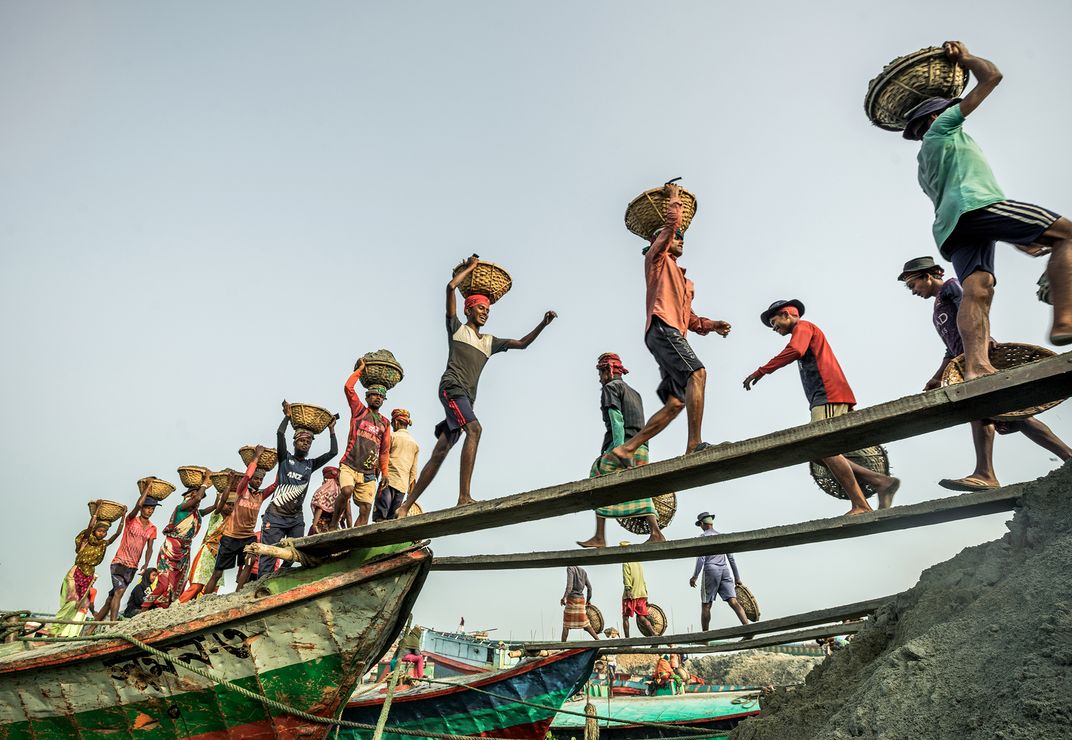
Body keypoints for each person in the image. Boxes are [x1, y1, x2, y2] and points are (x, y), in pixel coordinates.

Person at [901, 41, 1072, 374]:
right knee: (1067, 235)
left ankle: (977, 365)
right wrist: (965, 59)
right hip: (977, 207)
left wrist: (1014, 235)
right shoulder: (943, 128)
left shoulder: (924, 162)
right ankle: (1065, 319)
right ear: (936, 116)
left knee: (977, 288)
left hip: (952, 228)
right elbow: (992, 76)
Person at [395, 256, 557, 517]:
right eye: (481, 308)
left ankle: (405, 506)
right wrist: (470, 268)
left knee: (441, 451)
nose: (485, 312)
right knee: (475, 429)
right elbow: (450, 288)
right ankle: (464, 496)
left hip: (466, 399)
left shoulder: (489, 341)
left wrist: (543, 324)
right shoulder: (457, 329)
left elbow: (523, 343)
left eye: (488, 310)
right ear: (468, 310)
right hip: (451, 388)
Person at [898, 256, 1072, 489]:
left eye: (913, 285)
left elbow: (972, 311)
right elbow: (951, 348)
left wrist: (984, 337)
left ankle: (985, 473)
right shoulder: (938, 305)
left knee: (980, 407)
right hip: (965, 360)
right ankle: (1068, 456)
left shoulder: (950, 287)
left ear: (927, 276)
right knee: (1017, 418)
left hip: (978, 360)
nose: (913, 291)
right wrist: (938, 376)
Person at [610, 182, 732, 467]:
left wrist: (713, 325)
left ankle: (627, 449)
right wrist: (674, 199)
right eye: (675, 237)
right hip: (662, 328)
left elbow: (691, 319)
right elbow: (670, 226)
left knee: (676, 402)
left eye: (681, 238)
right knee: (697, 374)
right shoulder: (657, 260)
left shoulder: (685, 281)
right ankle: (694, 444)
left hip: (672, 331)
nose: (680, 240)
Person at [743, 300, 901, 514]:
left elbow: (795, 350)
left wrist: (761, 371)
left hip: (828, 395)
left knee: (823, 446)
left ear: (786, 314)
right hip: (825, 397)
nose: (774, 328)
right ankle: (880, 481)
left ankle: (861, 504)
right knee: (816, 451)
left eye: (774, 322)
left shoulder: (803, 327)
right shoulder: (804, 330)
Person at [578, 354, 666, 548]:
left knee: (598, 476)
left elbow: (617, 419)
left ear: (608, 371)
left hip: (624, 444)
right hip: (641, 446)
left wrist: (619, 449)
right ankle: (656, 532)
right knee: (639, 486)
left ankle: (600, 537)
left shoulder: (610, 388)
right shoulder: (635, 393)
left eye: (600, 373)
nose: (599, 378)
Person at [262, 404, 338, 575]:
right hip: (275, 516)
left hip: (295, 518)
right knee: (268, 555)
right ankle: (262, 583)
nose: (305, 444)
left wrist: (331, 430)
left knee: (295, 551)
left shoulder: (310, 465)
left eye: (308, 442)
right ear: (295, 442)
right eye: (302, 441)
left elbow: (333, 452)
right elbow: (280, 434)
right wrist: (288, 417)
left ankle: (279, 576)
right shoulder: (285, 458)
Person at [204, 454, 276, 595]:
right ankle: (202, 601)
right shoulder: (242, 491)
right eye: (256, 478)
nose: (258, 481)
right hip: (231, 536)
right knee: (217, 572)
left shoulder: (260, 496)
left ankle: (238, 594)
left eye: (261, 479)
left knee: (250, 562)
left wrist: (284, 461)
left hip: (248, 537)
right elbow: (246, 478)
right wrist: (256, 457)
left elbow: (275, 485)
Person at [142, 475, 215, 609]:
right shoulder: (182, 508)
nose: (197, 499)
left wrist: (221, 492)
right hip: (170, 550)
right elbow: (198, 498)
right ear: (187, 497)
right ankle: (144, 608)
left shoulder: (197, 514)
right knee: (164, 583)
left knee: (176, 584)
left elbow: (216, 506)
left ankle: (163, 609)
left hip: (184, 551)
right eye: (193, 495)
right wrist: (205, 483)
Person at [331, 365, 390, 529]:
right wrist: (360, 371)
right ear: (367, 397)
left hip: (369, 472)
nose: (377, 398)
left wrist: (385, 472)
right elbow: (348, 387)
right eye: (374, 395)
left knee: (366, 508)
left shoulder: (385, 423)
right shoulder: (359, 411)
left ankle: (354, 540)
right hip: (349, 465)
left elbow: (384, 451)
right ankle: (333, 524)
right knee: (347, 491)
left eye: (381, 396)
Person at [51, 506, 123, 636]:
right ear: (95, 530)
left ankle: (58, 632)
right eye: (100, 530)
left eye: (104, 532)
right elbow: (89, 528)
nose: (102, 533)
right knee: (71, 601)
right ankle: (53, 630)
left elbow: (117, 534)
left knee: (76, 606)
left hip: (88, 575)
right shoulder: (86, 539)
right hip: (77, 572)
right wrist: (96, 512)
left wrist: (123, 517)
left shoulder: (103, 544)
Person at [95, 487, 158, 623]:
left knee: (111, 598)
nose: (150, 511)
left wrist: (146, 564)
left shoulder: (153, 528)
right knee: (120, 591)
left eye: (152, 509)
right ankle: (113, 625)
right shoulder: (131, 520)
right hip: (119, 562)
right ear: (142, 509)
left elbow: (149, 548)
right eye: (148, 508)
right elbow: (137, 505)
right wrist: (147, 487)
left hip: (132, 567)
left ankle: (91, 629)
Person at [688, 512, 749, 630]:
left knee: (706, 604)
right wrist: (737, 578)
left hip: (711, 570)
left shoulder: (703, 537)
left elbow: (701, 558)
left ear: (701, 524)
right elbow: (731, 558)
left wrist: (695, 576)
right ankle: (748, 628)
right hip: (725, 570)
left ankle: (705, 638)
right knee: (733, 601)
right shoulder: (722, 536)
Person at [180, 491, 235, 602]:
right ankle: (179, 606)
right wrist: (226, 487)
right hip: (207, 554)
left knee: (214, 587)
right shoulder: (216, 515)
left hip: (220, 555)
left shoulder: (233, 520)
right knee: (197, 586)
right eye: (228, 504)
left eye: (233, 505)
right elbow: (220, 502)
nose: (231, 507)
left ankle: (203, 607)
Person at [375, 409, 419, 521]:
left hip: (388, 481)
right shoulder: (414, 444)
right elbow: (413, 472)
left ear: (396, 422)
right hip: (403, 486)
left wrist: (375, 472)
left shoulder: (391, 437)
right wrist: (411, 494)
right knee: (392, 519)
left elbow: (382, 456)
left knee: (380, 517)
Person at [619, 541, 656, 638]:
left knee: (625, 617)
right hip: (642, 593)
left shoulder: (626, 562)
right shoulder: (638, 562)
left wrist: (628, 589)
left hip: (631, 594)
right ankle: (654, 634)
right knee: (641, 617)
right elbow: (643, 578)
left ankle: (627, 640)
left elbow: (626, 577)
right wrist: (646, 593)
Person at [560, 565, 600, 641]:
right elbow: (590, 588)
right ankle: (598, 641)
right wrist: (588, 600)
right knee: (586, 624)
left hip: (572, 600)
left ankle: (562, 649)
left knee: (566, 626)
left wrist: (564, 597)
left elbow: (569, 586)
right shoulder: (583, 571)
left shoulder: (570, 569)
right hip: (581, 601)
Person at [309, 467, 345, 535]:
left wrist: (314, 526)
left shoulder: (323, 493)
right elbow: (347, 514)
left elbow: (320, 507)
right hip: (334, 527)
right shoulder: (342, 494)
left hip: (321, 526)